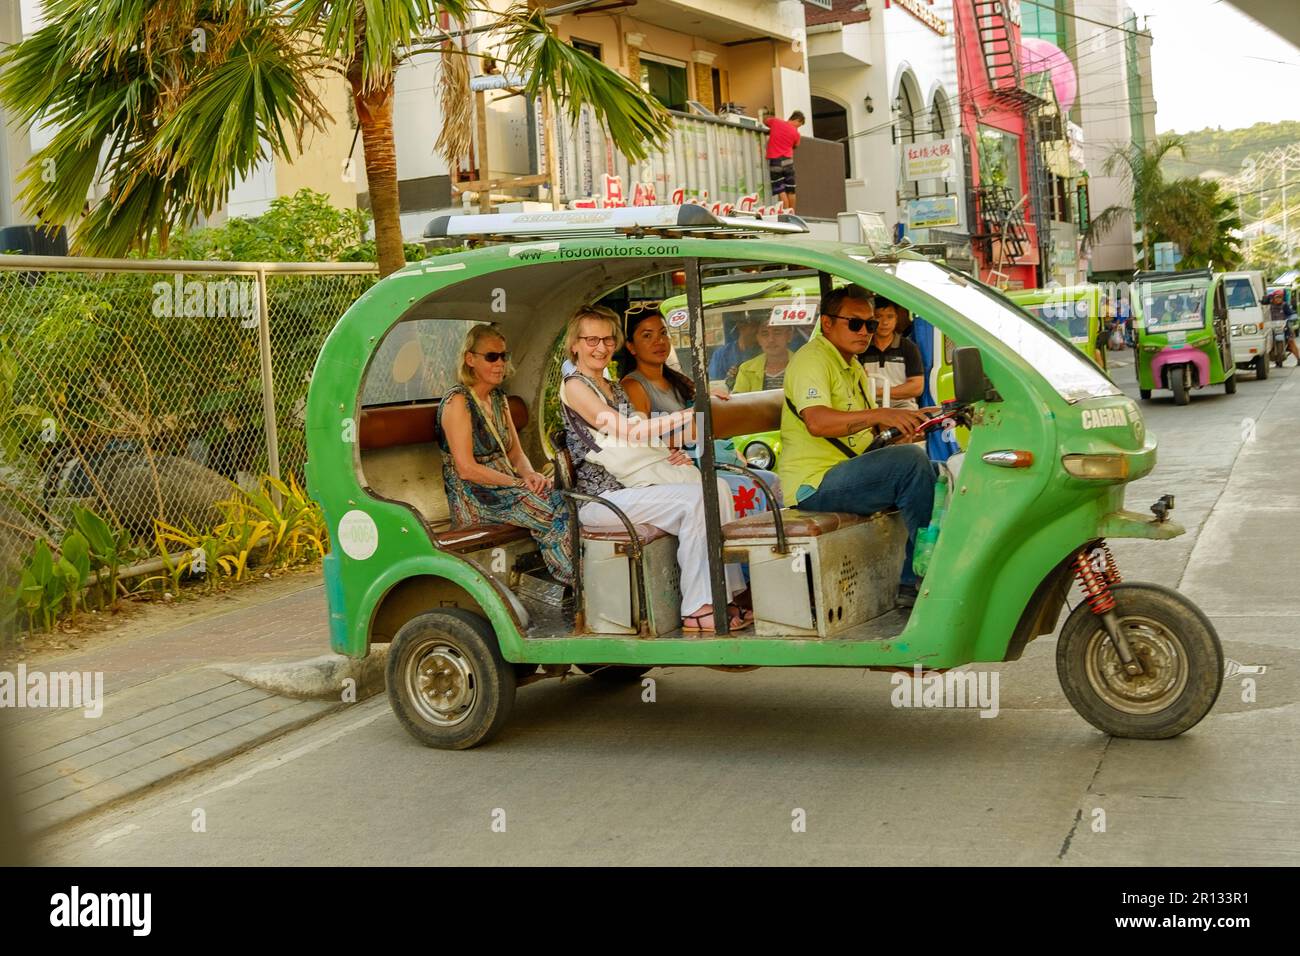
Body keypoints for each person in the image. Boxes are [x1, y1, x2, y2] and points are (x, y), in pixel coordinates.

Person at [561, 305, 752, 632]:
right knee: (693, 501)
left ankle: (728, 594)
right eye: (591, 340)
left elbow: (649, 433)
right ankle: (696, 609)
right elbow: (625, 431)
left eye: (607, 340)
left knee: (715, 488)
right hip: (601, 500)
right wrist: (689, 415)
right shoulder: (576, 386)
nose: (601, 347)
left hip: (630, 490)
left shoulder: (611, 386)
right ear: (575, 345)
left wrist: (673, 447)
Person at [778, 285, 935, 608]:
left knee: (935, 471)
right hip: (815, 482)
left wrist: (914, 423)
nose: (865, 332)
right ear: (827, 323)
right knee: (911, 463)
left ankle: (915, 574)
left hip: (845, 471)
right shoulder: (812, 360)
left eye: (871, 325)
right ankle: (922, 576)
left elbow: (866, 431)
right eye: (855, 323)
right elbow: (818, 422)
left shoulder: (851, 365)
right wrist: (881, 413)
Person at [437, 323, 573, 585]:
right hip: (475, 496)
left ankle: (562, 580)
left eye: (503, 356)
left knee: (563, 496)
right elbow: (466, 468)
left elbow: (515, 453)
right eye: (491, 356)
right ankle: (574, 583)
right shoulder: (458, 402)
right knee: (547, 510)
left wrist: (530, 474)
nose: (500, 363)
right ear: (470, 359)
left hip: (507, 488)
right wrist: (518, 483)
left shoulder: (499, 398)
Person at [619, 305, 782, 513]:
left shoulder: (676, 379)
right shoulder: (633, 386)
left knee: (771, 479)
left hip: (705, 459)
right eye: (647, 336)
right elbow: (638, 437)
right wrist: (670, 448)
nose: (658, 342)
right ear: (631, 347)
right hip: (676, 468)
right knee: (751, 488)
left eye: (662, 333)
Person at [858, 295, 924, 410]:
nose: (884, 322)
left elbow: (917, 387)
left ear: (896, 319)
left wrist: (878, 392)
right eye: (878, 317)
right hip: (869, 405)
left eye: (890, 317)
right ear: (871, 320)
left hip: (902, 406)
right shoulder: (862, 347)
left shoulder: (909, 347)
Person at [731, 322, 794, 393]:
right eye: (765, 334)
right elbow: (739, 402)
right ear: (758, 339)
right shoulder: (746, 369)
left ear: (789, 336)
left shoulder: (802, 365)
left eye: (777, 333)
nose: (771, 339)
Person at [763, 110, 804, 213]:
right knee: (791, 190)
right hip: (788, 162)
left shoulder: (776, 122)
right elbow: (796, 145)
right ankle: (792, 214)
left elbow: (765, 121)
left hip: (775, 161)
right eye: (799, 125)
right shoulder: (796, 133)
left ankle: (785, 214)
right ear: (797, 120)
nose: (797, 128)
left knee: (781, 190)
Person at [707, 312, 764, 383]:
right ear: (740, 327)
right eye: (753, 326)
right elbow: (714, 384)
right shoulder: (721, 354)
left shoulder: (764, 352)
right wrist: (729, 379)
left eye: (759, 328)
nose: (757, 330)